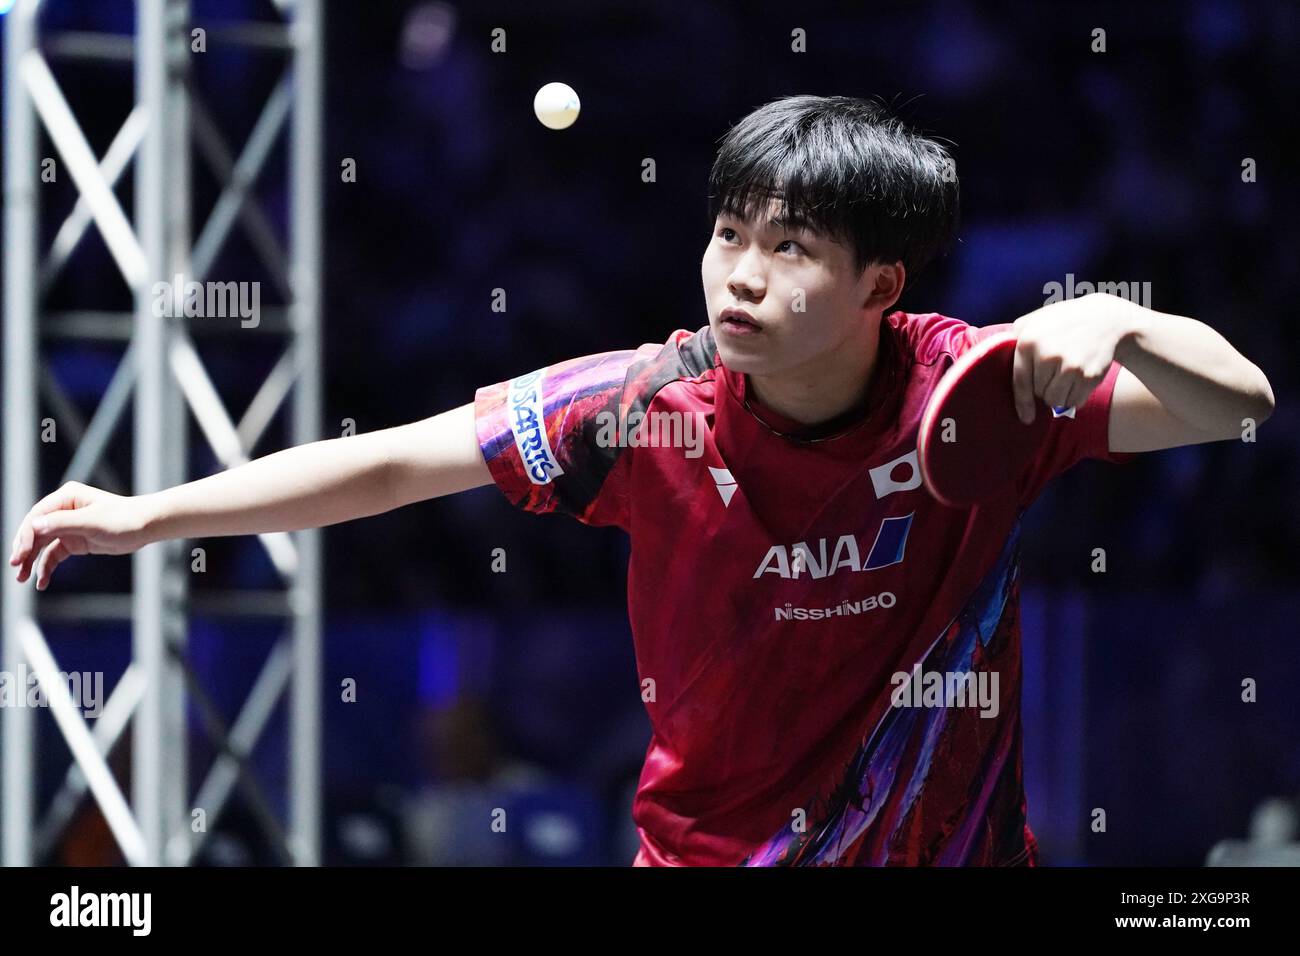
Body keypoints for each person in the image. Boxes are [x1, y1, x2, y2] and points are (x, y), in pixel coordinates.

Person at [9, 94, 1275, 866]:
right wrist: (147, 513)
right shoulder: (636, 407)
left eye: (789, 249)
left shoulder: (974, 396)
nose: (738, 274)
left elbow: (1238, 405)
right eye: (728, 233)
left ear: (880, 287)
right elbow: (390, 459)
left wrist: (1119, 316)